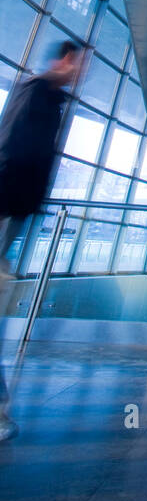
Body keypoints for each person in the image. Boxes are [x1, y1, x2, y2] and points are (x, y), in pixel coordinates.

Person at [0, 40, 85, 441]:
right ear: (65, 60)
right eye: (80, 63)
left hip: (14, 210)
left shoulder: (52, 98)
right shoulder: (36, 92)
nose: (83, 71)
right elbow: (11, 148)